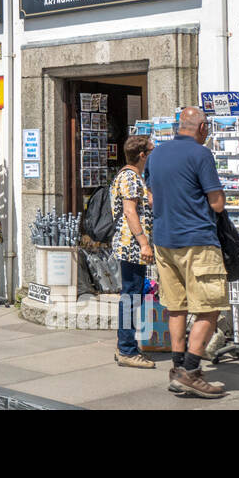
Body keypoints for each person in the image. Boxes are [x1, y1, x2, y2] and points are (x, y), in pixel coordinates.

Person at [146, 106, 229, 399]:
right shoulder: (201, 154)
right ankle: (191, 372)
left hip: (164, 240)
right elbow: (217, 203)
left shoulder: (156, 154)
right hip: (197, 240)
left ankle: (177, 368)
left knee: (176, 306)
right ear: (203, 128)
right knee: (209, 306)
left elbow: (150, 192)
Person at [112, 135, 155, 369]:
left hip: (131, 245)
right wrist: (144, 243)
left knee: (133, 294)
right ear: (142, 155)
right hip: (131, 246)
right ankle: (126, 349)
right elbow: (130, 211)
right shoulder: (129, 177)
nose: (152, 155)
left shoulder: (133, 177)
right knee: (131, 295)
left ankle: (127, 346)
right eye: (151, 150)